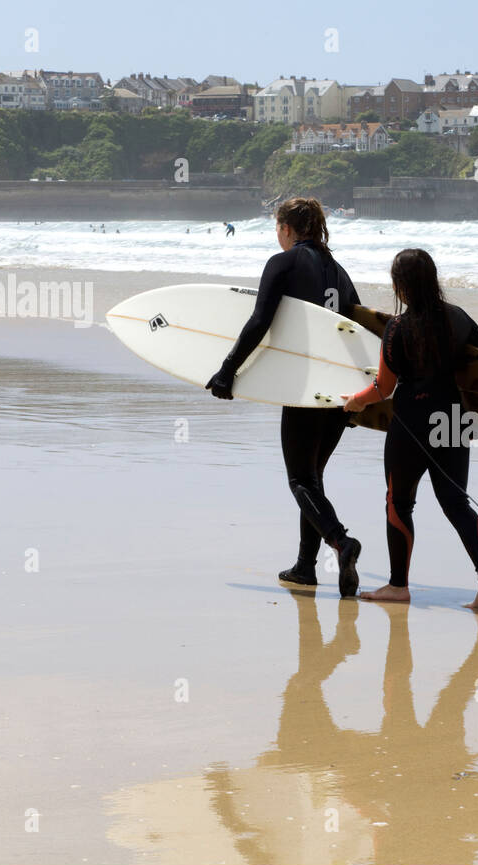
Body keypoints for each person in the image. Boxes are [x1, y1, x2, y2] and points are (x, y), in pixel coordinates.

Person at [206, 197, 363, 596]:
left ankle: (341, 542)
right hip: (339, 392)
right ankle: (305, 568)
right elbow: (356, 332)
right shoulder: (340, 274)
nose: (276, 234)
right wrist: (360, 401)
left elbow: (260, 320)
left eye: (277, 227)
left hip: (303, 387)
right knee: (314, 478)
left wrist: (228, 370)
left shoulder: (284, 263)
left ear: (287, 228)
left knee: (299, 479)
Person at [342, 249, 478, 610]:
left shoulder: (396, 329)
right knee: (456, 502)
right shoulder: (459, 319)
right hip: (452, 421)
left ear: (399, 286)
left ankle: (398, 586)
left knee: (399, 501)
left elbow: (383, 388)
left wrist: (355, 403)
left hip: (411, 424)